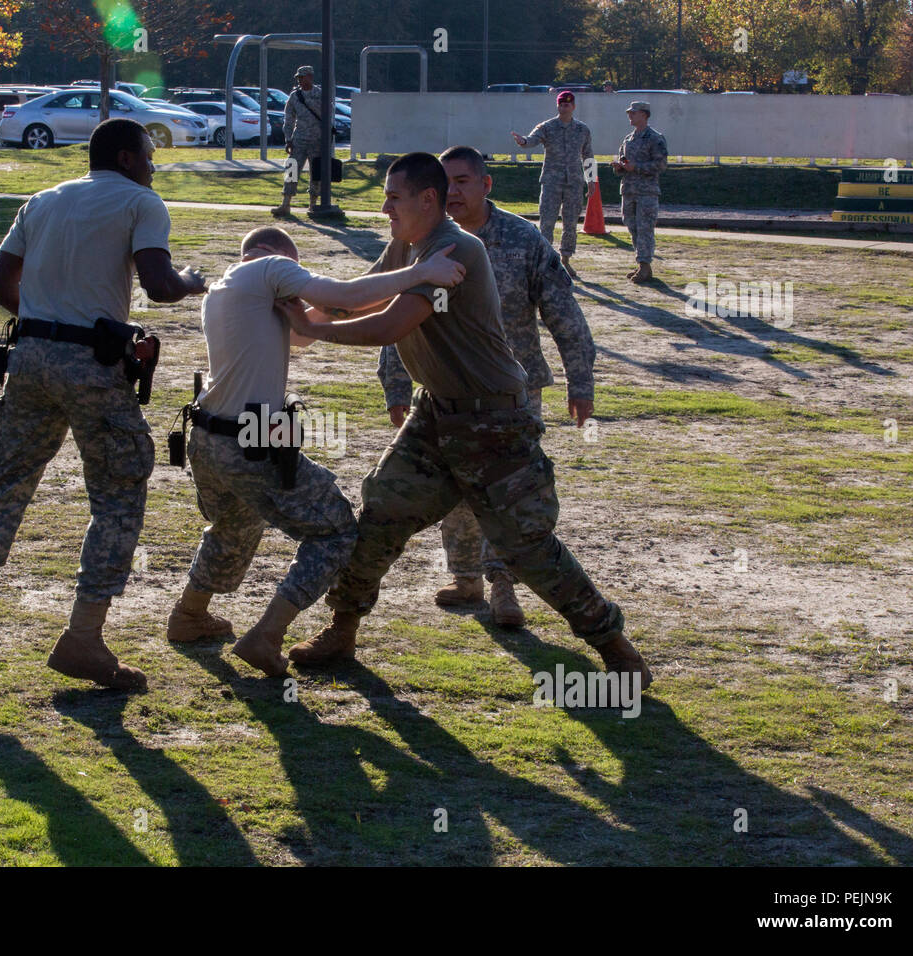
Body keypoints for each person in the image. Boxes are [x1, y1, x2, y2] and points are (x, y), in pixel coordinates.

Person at [276, 152, 652, 689]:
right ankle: (343, 628)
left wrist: (313, 326)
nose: (384, 207)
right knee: (381, 512)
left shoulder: (456, 250)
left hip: (493, 421)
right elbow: (364, 296)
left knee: (527, 546)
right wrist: (302, 309)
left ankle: (615, 648)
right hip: (437, 412)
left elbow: (391, 323)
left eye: (393, 197)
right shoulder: (409, 247)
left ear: (426, 201)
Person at [0, 118, 207, 692]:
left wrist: (49, 315)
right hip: (93, 365)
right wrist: (191, 282)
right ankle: (83, 638)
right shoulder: (141, 202)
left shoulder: (44, 199)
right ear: (127, 159)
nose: (153, 165)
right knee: (118, 493)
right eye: (149, 155)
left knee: (8, 482)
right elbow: (156, 284)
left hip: (28, 355)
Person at [169, 227, 466, 677]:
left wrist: (369, 285)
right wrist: (423, 272)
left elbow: (310, 330)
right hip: (250, 441)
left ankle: (188, 615)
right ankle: (266, 635)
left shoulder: (227, 289)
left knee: (233, 524)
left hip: (209, 440)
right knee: (335, 533)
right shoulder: (270, 269)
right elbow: (343, 295)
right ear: (279, 259)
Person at [376, 146, 596, 627]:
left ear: (485, 185)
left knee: (505, 494)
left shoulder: (523, 240)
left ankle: (503, 586)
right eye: (446, 183)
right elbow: (395, 314)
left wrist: (581, 380)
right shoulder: (418, 241)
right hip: (442, 393)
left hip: (510, 394)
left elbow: (564, 314)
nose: (453, 192)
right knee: (453, 491)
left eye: (463, 182)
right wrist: (394, 386)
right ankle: (466, 577)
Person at [511, 91, 594, 277]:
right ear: (557, 106)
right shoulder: (547, 127)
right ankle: (546, 261)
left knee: (570, 223)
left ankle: (565, 260)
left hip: (573, 183)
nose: (564, 107)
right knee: (547, 223)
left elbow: (588, 155)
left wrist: (591, 180)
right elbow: (532, 139)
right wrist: (523, 141)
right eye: (561, 104)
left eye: (568, 104)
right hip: (552, 182)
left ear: (573, 107)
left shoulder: (582, 130)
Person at [613, 101, 668, 284]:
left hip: (647, 191)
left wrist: (636, 167)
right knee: (632, 226)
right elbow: (625, 161)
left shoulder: (655, 138)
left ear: (644, 115)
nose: (630, 115)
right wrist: (620, 167)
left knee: (645, 228)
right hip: (628, 190)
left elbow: (660, 165)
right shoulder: (628, 139)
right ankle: (642, 264)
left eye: (633, 113)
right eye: (629, 112)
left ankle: (645, 265)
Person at [273, 65, 330, 218]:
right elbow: (289, 118)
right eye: (298, 77)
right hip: (299, 139)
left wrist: (327, 140)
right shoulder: (295, 96)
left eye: (302, 77)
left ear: (310, 77)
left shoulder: (321, 95)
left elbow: (329, 117)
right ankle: (286, 203)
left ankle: (313, 204)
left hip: (317, 140)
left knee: (316, 173)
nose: (300, 80)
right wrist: (288, 139)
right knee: (291, 169)